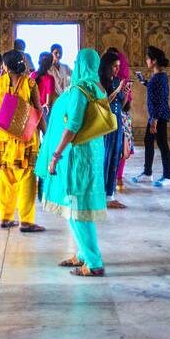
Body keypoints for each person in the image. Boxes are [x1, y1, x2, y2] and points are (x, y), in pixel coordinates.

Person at [36, 48, 109, 276]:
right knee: (75, 206)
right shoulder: (98, 87)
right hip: (93, 152)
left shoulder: (79, 89)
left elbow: (72, 126)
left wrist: (55, 155)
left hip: (77, 155)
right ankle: (83, 254)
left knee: (78, 209)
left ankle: (94, 263)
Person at [0, 49, 46, 232]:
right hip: (25, 141)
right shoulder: (30, 84)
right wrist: (47, 136)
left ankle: (5, 218)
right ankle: (26, 221)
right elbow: (38, 112)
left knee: (5, 179)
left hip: (3, 141)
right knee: (27, 179)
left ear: (4, 66)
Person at [131, 46, 170, 186]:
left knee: (162, 145)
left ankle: (167, 177)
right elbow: (154, 89)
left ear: (153, 61)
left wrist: (154, 120)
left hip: (158, 117)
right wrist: (143, 81)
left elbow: (160, 100)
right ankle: (147, 173)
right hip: (156, 116)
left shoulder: (159, 78)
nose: (146, 61)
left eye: (148, 58)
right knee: (148, 141)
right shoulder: (158, 76)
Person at [99, 49, 128, 209]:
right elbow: (104, 103)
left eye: (118, 66)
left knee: (115, 158)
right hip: (105, 124)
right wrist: (117, 91)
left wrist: (123, 93)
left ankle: (110, 195)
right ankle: (102, 195)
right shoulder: (100, 82)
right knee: (106, 158)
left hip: (117, 123)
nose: (117, 69)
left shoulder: (117, 81)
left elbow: (120, 106)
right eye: (114, 66)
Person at [115, 48, 135, 189]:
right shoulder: (120, 80)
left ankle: (118, 176)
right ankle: (118, 176)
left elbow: (125, 103)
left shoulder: (119, 81)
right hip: (123, 116)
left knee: (121, 147)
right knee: (120, 146)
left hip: (119, 116)